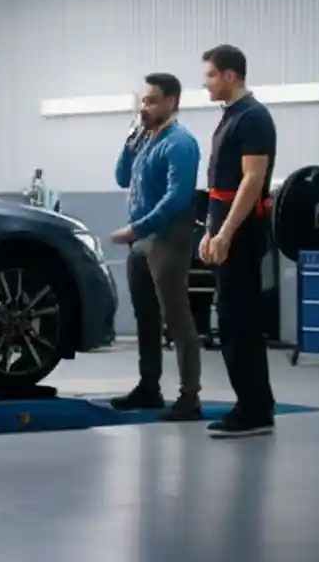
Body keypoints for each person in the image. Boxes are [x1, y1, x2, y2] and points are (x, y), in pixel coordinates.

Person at [107, 73, 202, 421]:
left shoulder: (180, 143)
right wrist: (132, 138)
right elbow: (120, 176)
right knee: (145, 316)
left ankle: (190, 397)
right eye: (142, 101)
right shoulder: (146, 139)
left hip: (167, 237)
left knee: (176, 318)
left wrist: (137, 227)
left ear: (171, 102)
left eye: (151, 100)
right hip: (141, 241)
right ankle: (149, 387)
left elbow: (176, 198)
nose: (144, 107)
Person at [199, 43, 277, 438]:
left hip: (243, 234)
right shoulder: (230, 116)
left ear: (230, 75)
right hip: (225, 229)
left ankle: (254, 410)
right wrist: (209, 230)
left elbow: (252, 180)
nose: (206, 82)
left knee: (239, 321)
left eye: (211, 75)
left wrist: (227, 232)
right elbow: (220, 184)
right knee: (232, 319)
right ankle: (255, 402)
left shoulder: (254, 117)